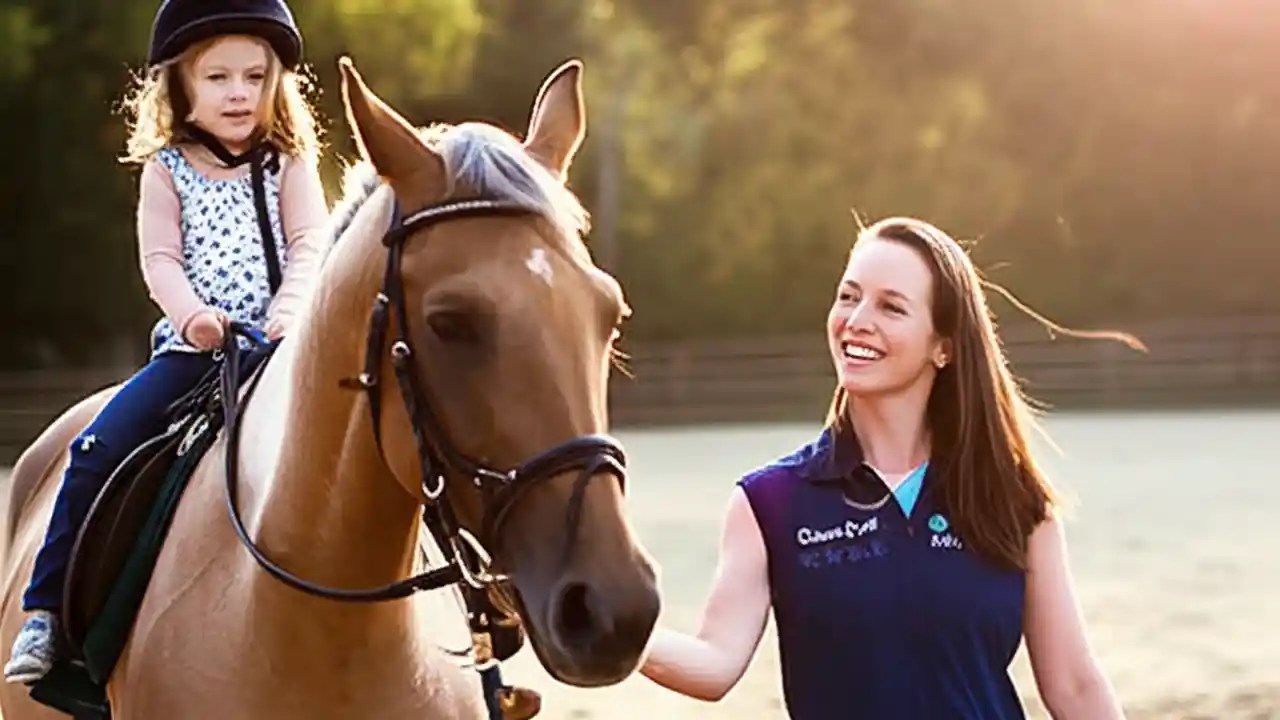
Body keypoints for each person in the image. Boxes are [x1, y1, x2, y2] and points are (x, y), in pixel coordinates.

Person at [639, 216, 1135, 718]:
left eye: (891, 306)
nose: (856, 320)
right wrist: (601, 628)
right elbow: (714, 663)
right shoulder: (768, 502)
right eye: (849, 296)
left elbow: (1074, 686)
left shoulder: (1014, 500)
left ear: (944, 346)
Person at [4, 0, 328, 683]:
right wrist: (192, 320)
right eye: (217, 78)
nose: (238, 92)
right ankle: (46, 614)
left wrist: (291, 313)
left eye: (254, 76)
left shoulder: (290, 163)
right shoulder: (168, 170)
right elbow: (161, 261)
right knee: (96, 448)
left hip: (284, 351)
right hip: (194, 353)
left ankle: (483, 615)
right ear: (181, 86)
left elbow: (308, 245)